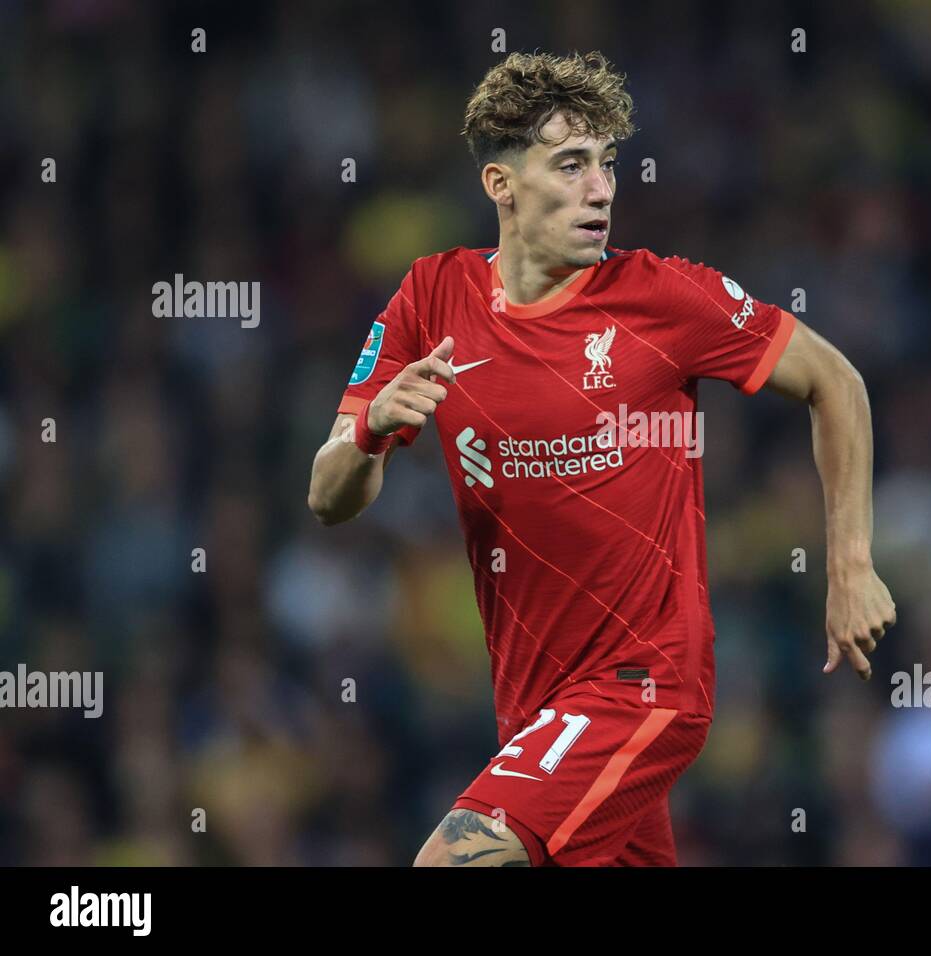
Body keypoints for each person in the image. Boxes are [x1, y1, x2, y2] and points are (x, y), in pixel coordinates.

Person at [307, 50, 896, 867]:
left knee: (449, 864)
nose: (602, 189)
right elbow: (329, 496)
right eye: (572, 164)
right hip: (532, 707)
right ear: (500, 186)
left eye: (608, 165)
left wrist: (851, 565)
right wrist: (372, 425)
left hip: (642, 685)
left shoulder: (659, 296)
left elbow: (836, 381)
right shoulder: (431, 296)